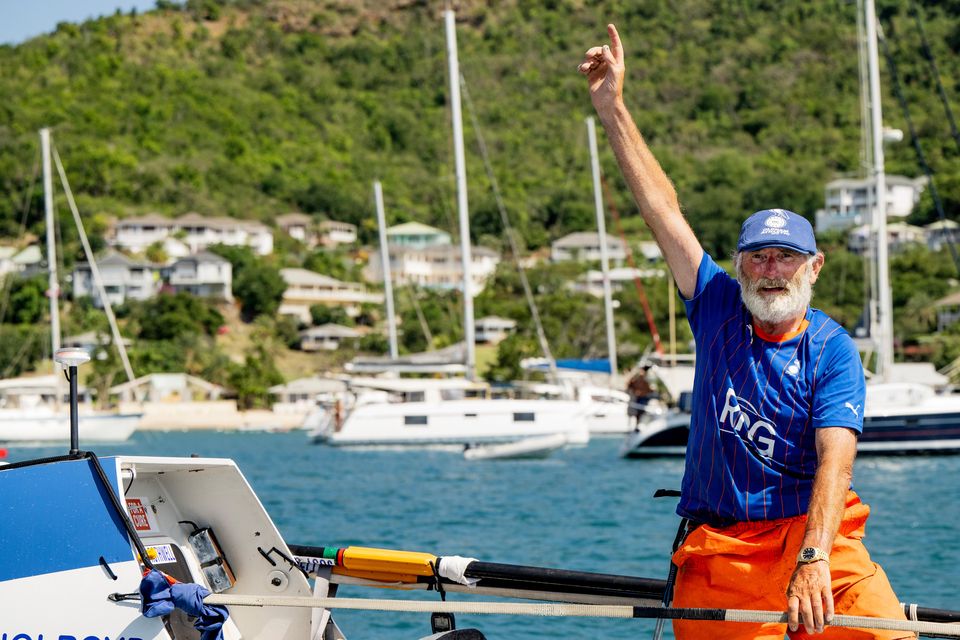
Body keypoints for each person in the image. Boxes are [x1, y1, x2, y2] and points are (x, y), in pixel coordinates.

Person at [579, 25, 911, 640]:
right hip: (721, 548)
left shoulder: (832, 349)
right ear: (738, 265)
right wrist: (612, 105)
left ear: (814, 268)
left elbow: (834, 466)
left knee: (893, 636)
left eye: (786, 257)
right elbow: (662, 211)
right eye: (758, 256)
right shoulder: (716, 306)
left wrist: (812, 560)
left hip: (817, 538)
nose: (771, 270)